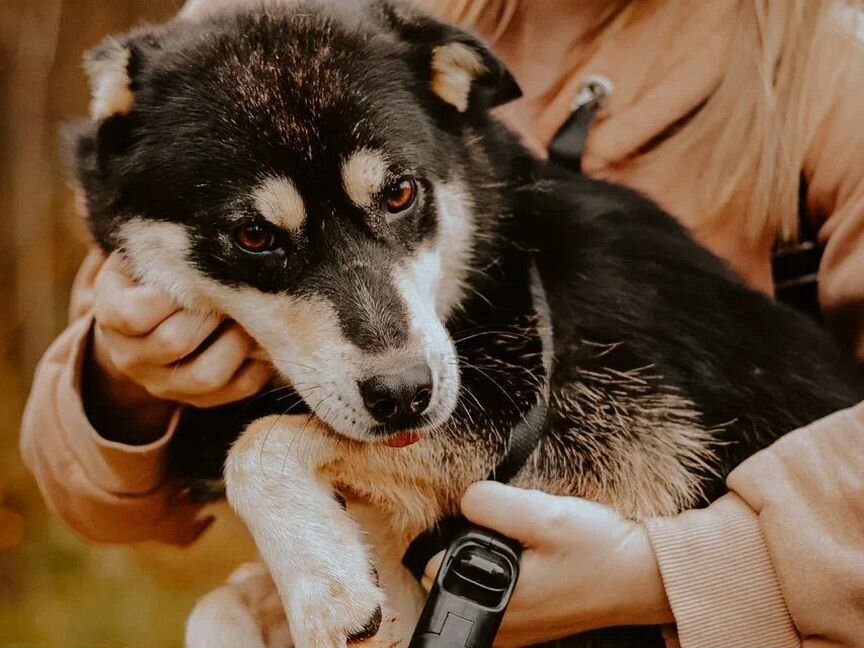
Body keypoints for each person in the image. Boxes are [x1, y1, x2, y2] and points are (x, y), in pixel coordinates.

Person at [20, 0, 864, 645]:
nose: (393, 357)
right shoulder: (247, 32)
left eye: (396, 195)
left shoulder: (828, 66)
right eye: (254, 236)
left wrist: (656, 574)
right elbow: (99, 507)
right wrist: (123, 377)